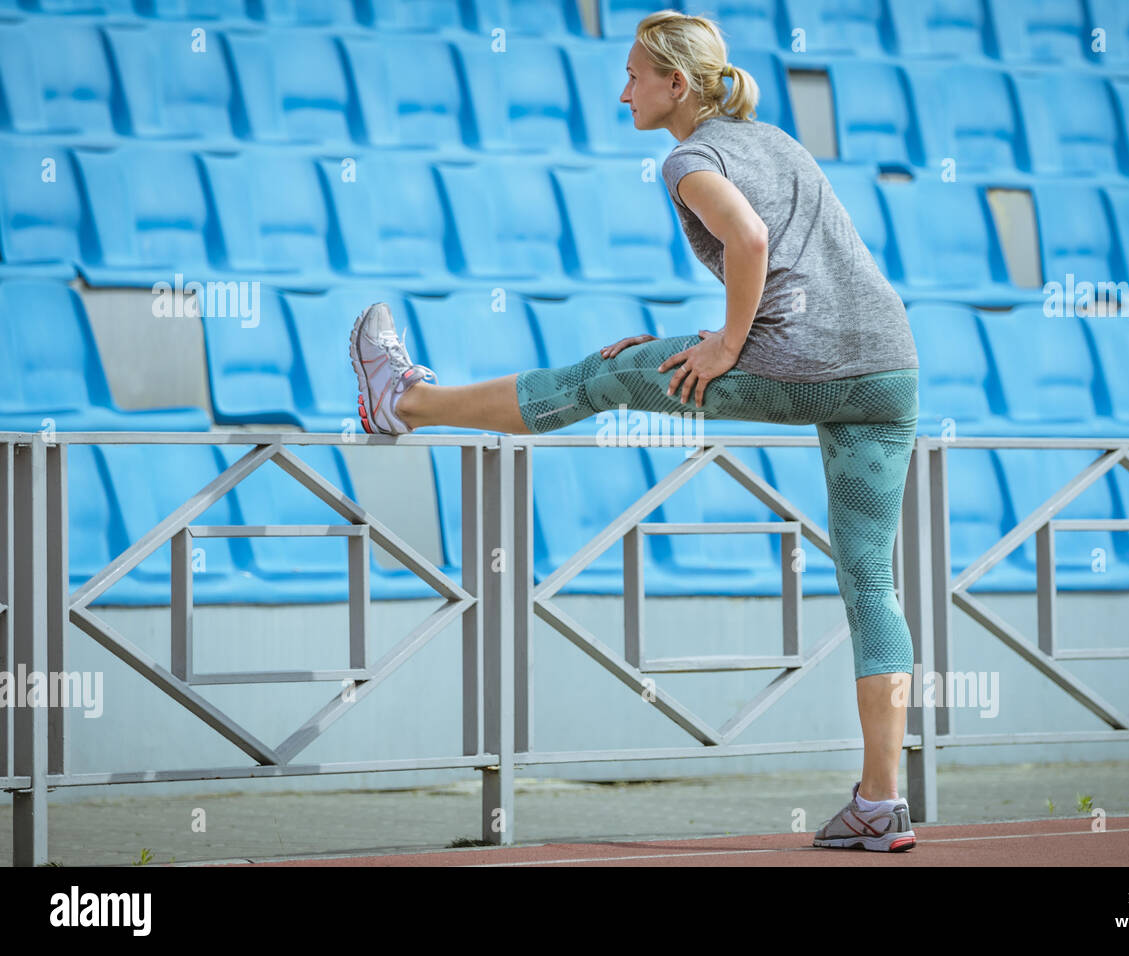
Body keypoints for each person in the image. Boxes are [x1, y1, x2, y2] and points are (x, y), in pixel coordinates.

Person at [350, 9, 920, 852]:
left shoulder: (687, 157)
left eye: (633, 77)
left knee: (597, 378)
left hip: (800, 364)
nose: (622, 93)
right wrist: (701, 338)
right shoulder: (779, 143)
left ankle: (400, 400)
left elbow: (753, 241)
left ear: (675, 85)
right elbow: (803, 275)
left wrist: (721, 345)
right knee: (873, 585)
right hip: (888, 369)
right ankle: (881, 802)